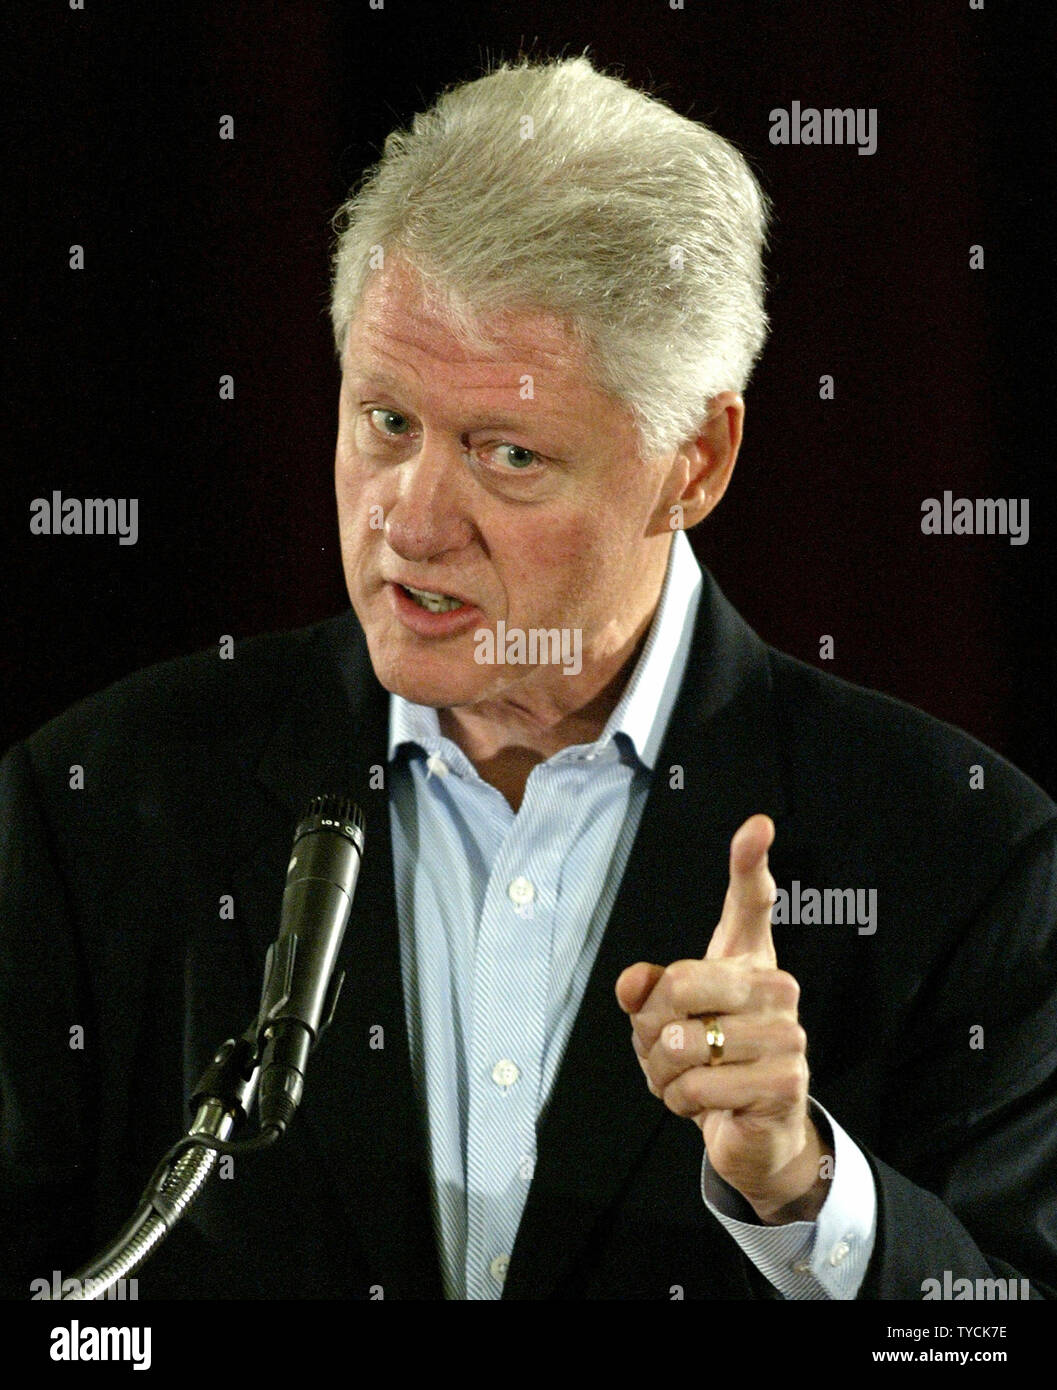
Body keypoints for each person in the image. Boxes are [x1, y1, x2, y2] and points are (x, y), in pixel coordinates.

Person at [1, 55, 1055, 1302]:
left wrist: (809, 1195)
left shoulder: (961, 849)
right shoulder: (96, 803)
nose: (413, 521)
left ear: (695, 463)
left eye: (506, 453)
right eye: (385, 422)